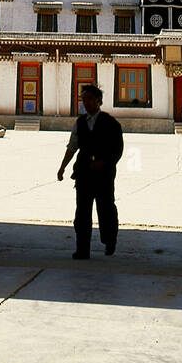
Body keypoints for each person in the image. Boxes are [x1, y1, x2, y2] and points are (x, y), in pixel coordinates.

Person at [57, 84, 124, 258]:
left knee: (106, 209)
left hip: (104, 175)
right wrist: (62, 167)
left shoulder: (111, 123)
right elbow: (72, 146)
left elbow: (118, 148)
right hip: (84, 173)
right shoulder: (80, 123)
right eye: (83, 99)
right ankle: (82, 249)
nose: (86, 103)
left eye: (89, 99)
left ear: (98, 101)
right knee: (82, 212)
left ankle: (109, 241)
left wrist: (105, 162)